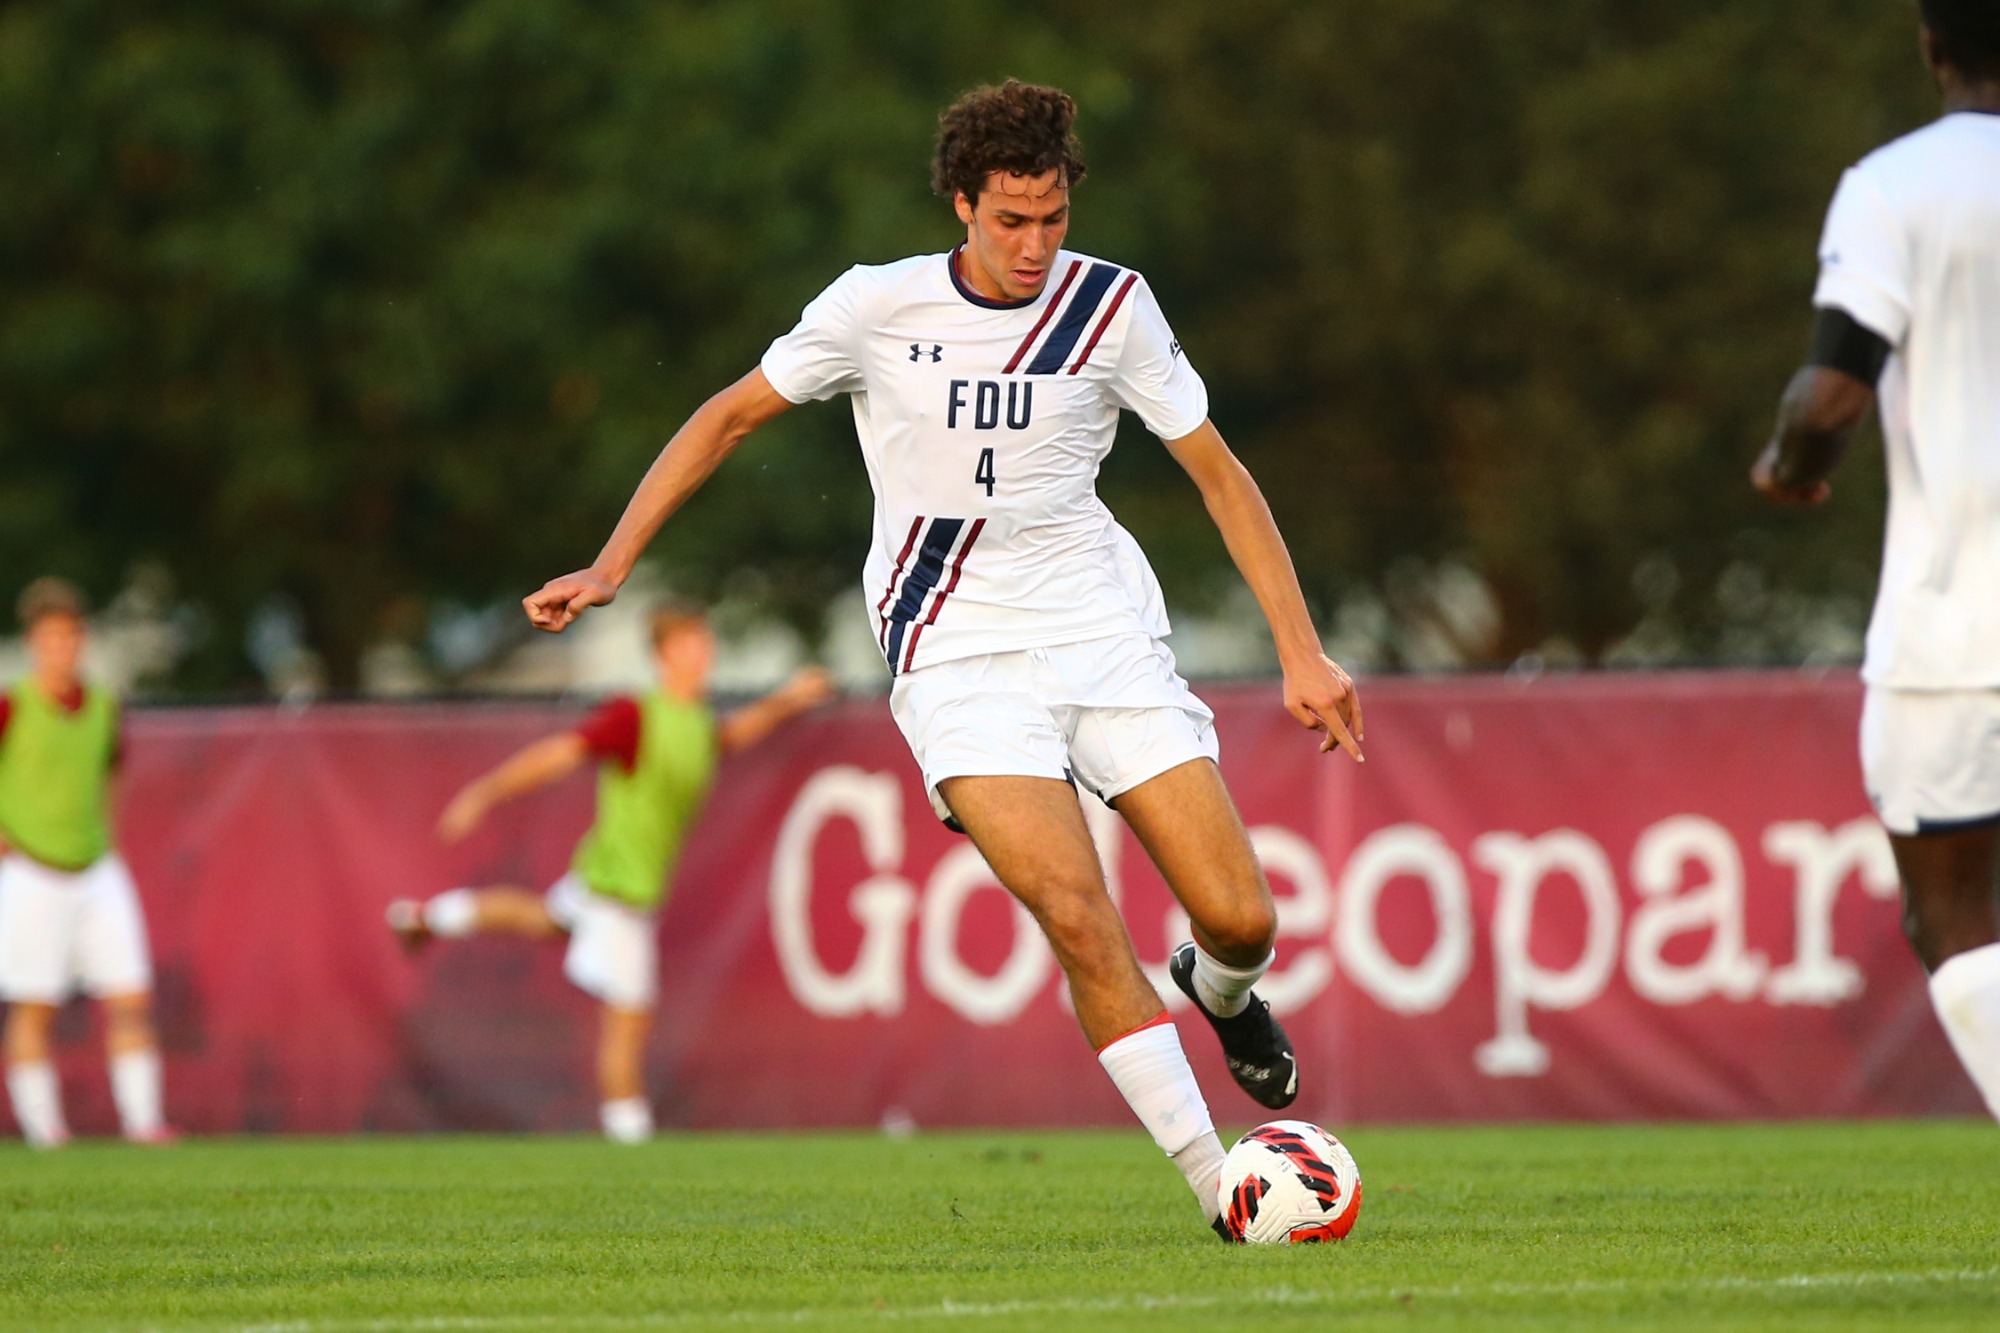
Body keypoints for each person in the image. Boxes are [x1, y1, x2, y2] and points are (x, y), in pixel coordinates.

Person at [520, 81, 1363, 1235]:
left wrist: (1301, 651)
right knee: (1075, 909)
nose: (1033, 245)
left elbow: (1219, 474)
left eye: (1052, 218)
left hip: (1099, 637)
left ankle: (1219, 992)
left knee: (1242, 918)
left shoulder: (1110, 308)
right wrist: (615, 563)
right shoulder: (875, 308)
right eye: (1009, 220)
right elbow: (723, 416)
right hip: (952, 655)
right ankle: (1221, 1184)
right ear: (960, 203)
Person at [1751, 0, 2000, 1121]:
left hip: (1956, 620)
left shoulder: (1895, 185)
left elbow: (1833, 387)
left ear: (1929, 43)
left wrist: (1787, 461)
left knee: (1952, 915)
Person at [388, 604, 833, 1142]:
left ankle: (426, 917)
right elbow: (561, 753)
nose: (703, 654)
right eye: (691, 643)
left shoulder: (694, 722)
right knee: (628, 1024)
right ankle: (630, 1146)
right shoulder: (637, 715)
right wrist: (484, 793)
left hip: (603, 881)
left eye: (705, 643)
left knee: (543, 918)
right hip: (618, 892)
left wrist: (788, 700)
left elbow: (732, 736)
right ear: (663, 654)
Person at [0, 578, 173, 1148]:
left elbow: (113, 771)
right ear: (33, 642)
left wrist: (109, 831)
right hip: (31, 869)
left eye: (71, 635)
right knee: (34, 1004)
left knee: (129, 997)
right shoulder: (13, 704)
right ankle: (46, 1131)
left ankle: (144, 1124)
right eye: (51, 637)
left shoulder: (102, 704)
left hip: (96, 867)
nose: (63, 648)